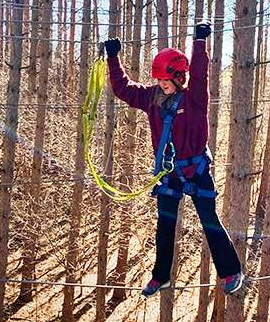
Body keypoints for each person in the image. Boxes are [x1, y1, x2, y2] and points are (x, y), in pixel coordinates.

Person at [102, 23, 244, 296]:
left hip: (196, 170)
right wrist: (113, 58)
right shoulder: (151, 98)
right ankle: (161, 277)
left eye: (167, 79)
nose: (162, 84)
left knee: (209, 220)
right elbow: (123, 89)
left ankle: (231, 272)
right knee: (165, 225)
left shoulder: (195, 99)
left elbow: (201, 75)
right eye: (159, 80)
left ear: (180, 77)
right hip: (170, 173)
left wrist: (200, 41)